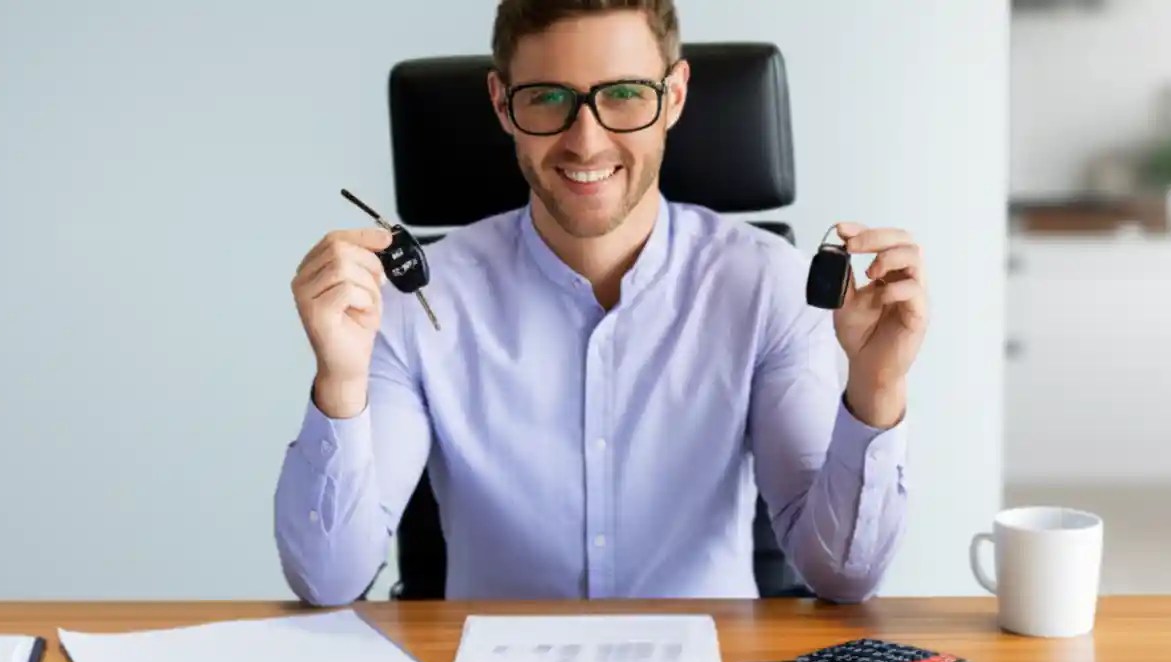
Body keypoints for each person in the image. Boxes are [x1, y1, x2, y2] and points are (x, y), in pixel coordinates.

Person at [275, 0, 929, 606]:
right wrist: (339, 380)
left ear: (673, 97)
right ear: (502, 105)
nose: (585, 141)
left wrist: (875, 385)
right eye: (548, 98)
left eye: (622, 95)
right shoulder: (419, 302)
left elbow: (842, 576)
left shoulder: (769, 286)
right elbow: (329, 582)